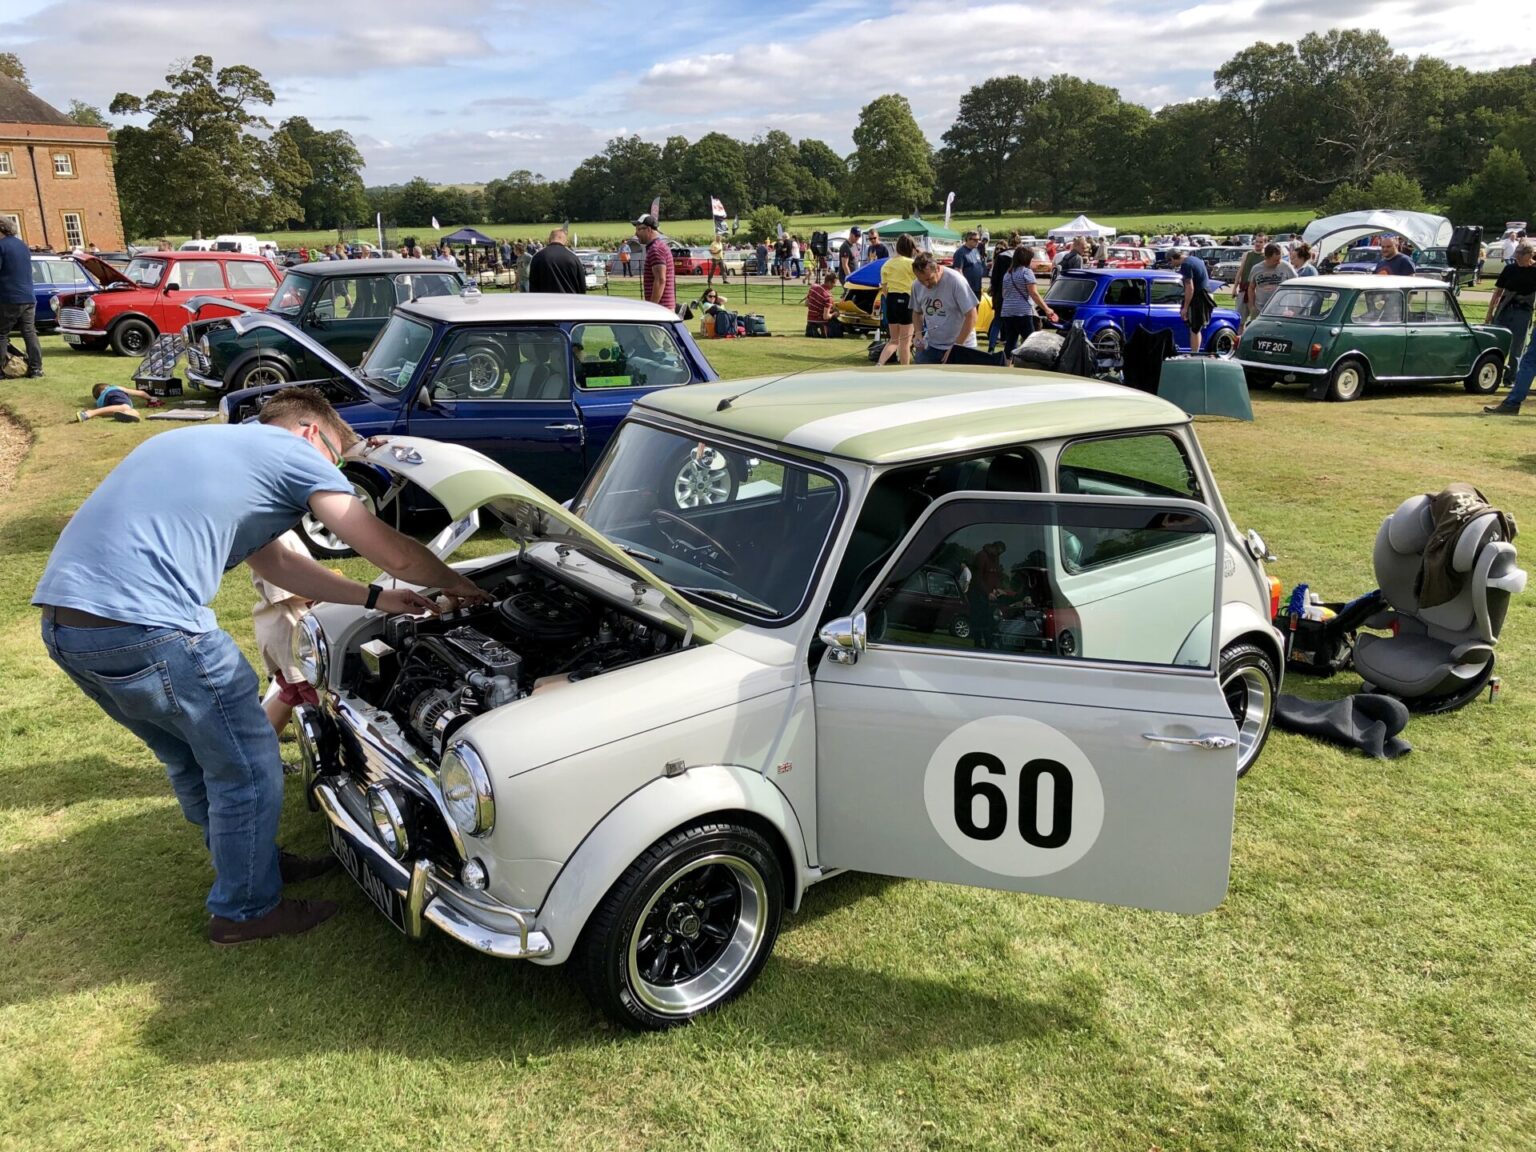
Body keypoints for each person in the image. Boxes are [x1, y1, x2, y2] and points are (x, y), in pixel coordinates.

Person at [34, 387, 490, 946]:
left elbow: (277, 561)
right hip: (152, 626)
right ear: (309, 433)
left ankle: (251, 868)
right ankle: (246, 910)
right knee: (248, 767)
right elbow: (392, 551)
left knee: (193, 761)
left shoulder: (205, 446)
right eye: (337, 460)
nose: (334, 476)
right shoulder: (294, 452)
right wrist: (458, 584)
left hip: (68, 629)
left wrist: (376, 599)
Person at [250, 530, 318, 735]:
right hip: (290, 633)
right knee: (314, 697)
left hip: (275, 630)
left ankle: (258, 754)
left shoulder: (277, 533)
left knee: (291, 693)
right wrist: (330, 588)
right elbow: (284, 592)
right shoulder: (277, 538)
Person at [911, 252, 981, 365]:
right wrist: (918, 333)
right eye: (921, 280)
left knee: (958, 382)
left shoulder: (956, 281)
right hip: (932, 345)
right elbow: (917, 312)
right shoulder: (916, 285)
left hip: (962, 345)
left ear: (937, 268)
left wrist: (957, 346)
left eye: (929, 279)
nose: (926, 284)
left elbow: (972, 315)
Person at [0, 216, 43, 378]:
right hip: (28, 297)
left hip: (9, 297)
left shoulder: (1, 246)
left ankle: (1, 371)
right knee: (29, 332)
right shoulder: (22, 245)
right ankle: (36, 369)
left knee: (1, 333)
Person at [997, 245, 1058, 358]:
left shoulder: (1008, 273)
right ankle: (1030, 364)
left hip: (1007, 311)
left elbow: (1004, 294)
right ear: (1027, 259)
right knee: (1030, 341)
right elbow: (1034, 293)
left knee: (1010, 342)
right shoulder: (1026, 272)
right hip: (1022, 312)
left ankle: (1006, 365)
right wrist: (1047, 309)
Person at [1486, 242, 1536, 370]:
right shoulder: (1509, 269)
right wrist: (1490, 313)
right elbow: (1498, 292)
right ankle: (1494, 373)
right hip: (1504, 309)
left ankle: (1511, 378)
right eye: (1517, 253)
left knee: (1517, 347)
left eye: (1521, 254)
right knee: (1496, 343)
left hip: (1523, 312)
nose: (1517, 257)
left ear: (1530, 255)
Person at [876, 234, 919, 365]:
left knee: (893, 340)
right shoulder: (912, 264)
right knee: (906, 341)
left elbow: (884, 289)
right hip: (907, 300)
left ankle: (879, 364)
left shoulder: (887, 264)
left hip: (891, 301)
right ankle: (904, 371)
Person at [1170, 248, 1215, 354]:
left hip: (1199, 297)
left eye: (1170, 261)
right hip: (1205, 293)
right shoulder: (1195, 259)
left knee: (1195, 328)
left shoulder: (1186, 265)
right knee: (1195, 328)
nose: (1171, 264)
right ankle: (1195, 352)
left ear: (1173, 258)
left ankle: (1194, 354)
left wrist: (1185, 307)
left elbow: (1190, 287)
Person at [966, 540, 1007, 649]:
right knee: (979, 621)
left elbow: (997, 576)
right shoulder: (982, 556)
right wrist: (987, 592)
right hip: (978, 595)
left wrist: (997, 589)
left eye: (1000, 553)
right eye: (998, 551)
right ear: (994, 548)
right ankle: (978, 643)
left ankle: (989, 644)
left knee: (989, 622)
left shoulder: (995, 558)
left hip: (990, 596)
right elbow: (977, 578)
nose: (998, 554)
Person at [527, 227, 587, 294]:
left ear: (549, 239)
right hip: (569, 301)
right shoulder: (573, 258)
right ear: (565, 240)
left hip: (545, 301)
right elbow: (582, 285)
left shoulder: (537, 257)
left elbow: (533, 285)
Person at [634, 213, 675, 311]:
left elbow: (660, 280)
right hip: (663, 308)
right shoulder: (657, 246)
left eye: (639, 229)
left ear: (648, 229)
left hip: (661, 310)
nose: (636, 234)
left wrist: (651, 308)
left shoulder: (655, 249)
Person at [76, 381, 163, 423]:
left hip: (103, 405)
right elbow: (141, 393)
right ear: (107, 387)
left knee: (120, 410)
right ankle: (90, 413)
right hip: (114, 395)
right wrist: (150, 398)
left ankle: (127, 414)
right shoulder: (113, 388)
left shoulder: (99, 401)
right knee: (126, 407)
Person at [1249, 242, 1297, 315]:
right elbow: (1251, 288)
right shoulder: (1256, 268)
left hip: (1281, 312)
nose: (1278, 262)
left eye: (1279, 259)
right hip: (1260, 310)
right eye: (1275, 260)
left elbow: (1296, 286)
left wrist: (1293, 308)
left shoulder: (1286, 267)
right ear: (1266, 257)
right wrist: (1252, 306)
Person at [1235, 234, 1268, 332]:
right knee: (1240, 320)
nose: (1257, 244)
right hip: (1244, 290)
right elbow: (1240, 271)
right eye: (1256, 241)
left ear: (1265, 243)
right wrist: (1235, 288)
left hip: (1258, 292)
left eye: (1261, 242)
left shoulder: (1266, 257)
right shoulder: (1247, 254)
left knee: (1256, 320)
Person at [987, 241, 1013, 352]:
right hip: (1010, 295)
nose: (998, 251)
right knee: (1010, 323)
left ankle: (991, 347)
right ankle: (1010, 347)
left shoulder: (998, 260)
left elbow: (994, 278)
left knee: (998, 321)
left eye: (999, 249)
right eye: (997, 249)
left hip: (999, 295)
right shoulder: (1013, 258)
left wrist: (993, 290)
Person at [805, 270, 841, 338]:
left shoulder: (813, 287)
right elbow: (826, 317)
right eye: (834, 283)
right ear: (830, 282)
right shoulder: (828, 296)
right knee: (838, 326)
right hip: (821, 327)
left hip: (810, 325)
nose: (835, 285)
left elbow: (806, 303)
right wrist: (834, 313)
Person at [952, 230, 987, 299]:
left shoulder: (976, 250)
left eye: (979, 239)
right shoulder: (960, 252)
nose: (978, 242)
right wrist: (964, 287)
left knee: (977, 309)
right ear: (968, 239)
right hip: (967, 289)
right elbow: (958, 271)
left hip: (977, 288)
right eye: (975, 240)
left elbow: (978, 265)